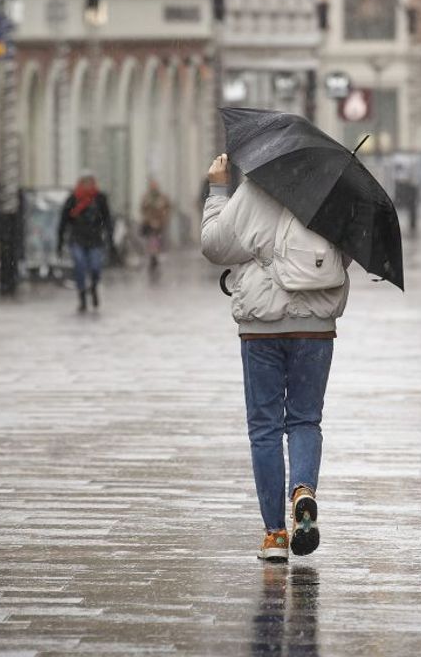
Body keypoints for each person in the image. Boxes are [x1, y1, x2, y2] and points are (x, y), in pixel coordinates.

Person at [201, 154, 350, 563]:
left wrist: (217, 190)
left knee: (264, 427)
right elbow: (344, 254)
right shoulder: (333, 195)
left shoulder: (254, 193)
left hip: (261, 326)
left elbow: (214, 246)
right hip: (316, 328)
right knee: (305, 419)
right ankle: (303, 490)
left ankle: (275, 535)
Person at [57, 172, 115, 312]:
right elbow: (64, 221)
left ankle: (93, 287)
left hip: (95, 239)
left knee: (95, 267)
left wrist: (109, 237)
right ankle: (82, 295)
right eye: (85, 182)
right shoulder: (73, 199)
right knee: (80, 266)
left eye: (90, 181)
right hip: (77, 239)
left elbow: (107, 219)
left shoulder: (100, 198)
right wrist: (59, 241)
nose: (88, 185)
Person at [139, 179, 172, 271]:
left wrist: (163, 218)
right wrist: (148, 219)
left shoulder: (162, 197)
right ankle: (152, 255)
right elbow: (143, 209)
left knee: (156, 240)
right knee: (151, 240)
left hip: (159, 223)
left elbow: (167, 208)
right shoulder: (146, 197)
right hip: (149, 223)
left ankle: (154, 255)